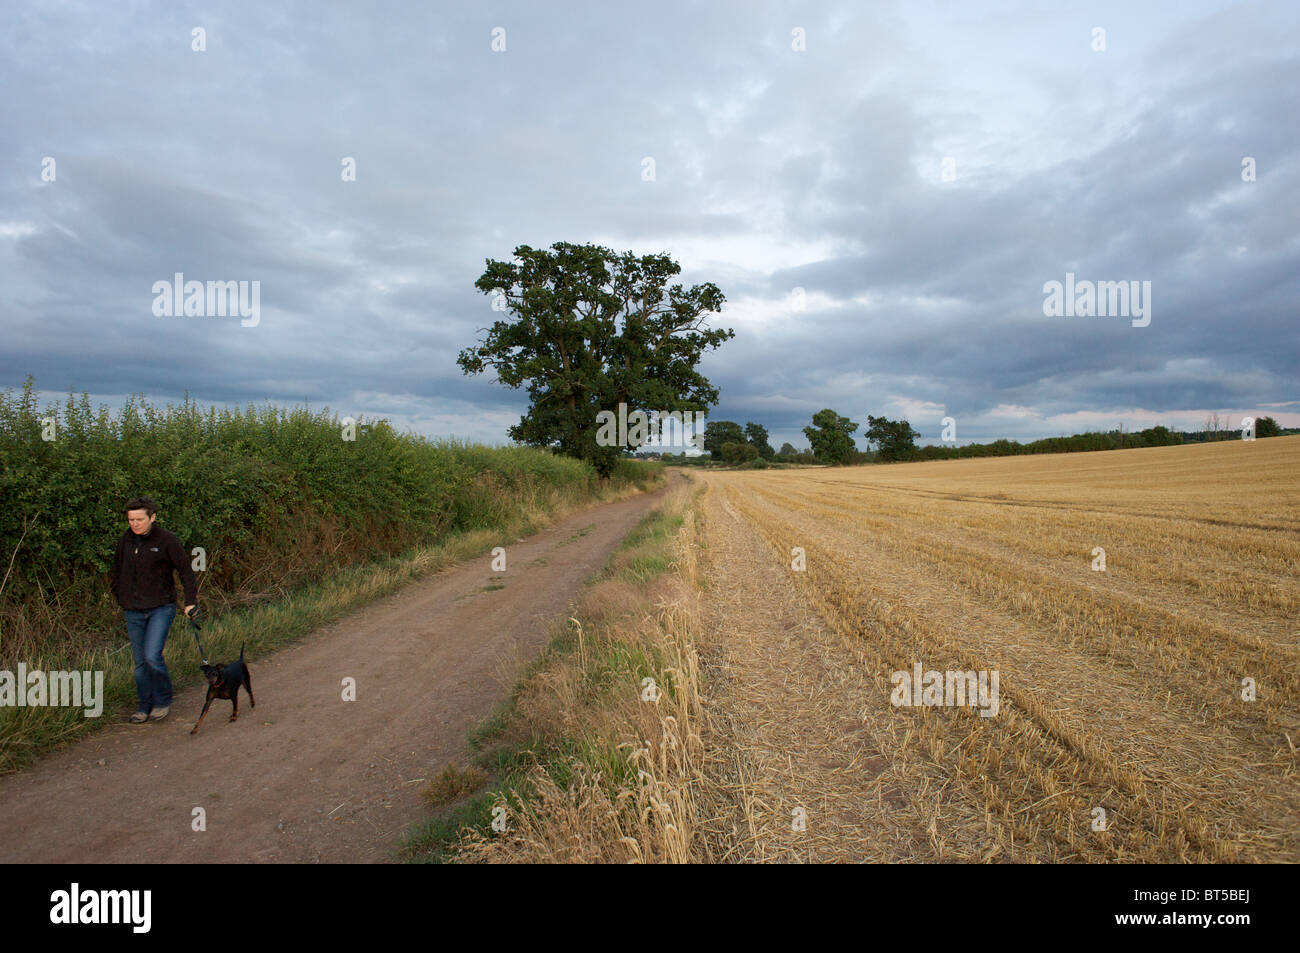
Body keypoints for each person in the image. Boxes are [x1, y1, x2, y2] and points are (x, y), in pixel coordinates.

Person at [111, 497, 197, 723]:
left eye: (139, 519)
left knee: (151, 656)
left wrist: (190, 601)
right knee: (140, 663)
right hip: (133, 610)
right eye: (131, 520)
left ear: (152, 518)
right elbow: (116, 570)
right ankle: (144, 705)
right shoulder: (125, 541)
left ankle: (162, 699)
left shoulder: (167, 540)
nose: (135, 524)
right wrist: (120, 595)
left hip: (161, 607)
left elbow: (186, 571)